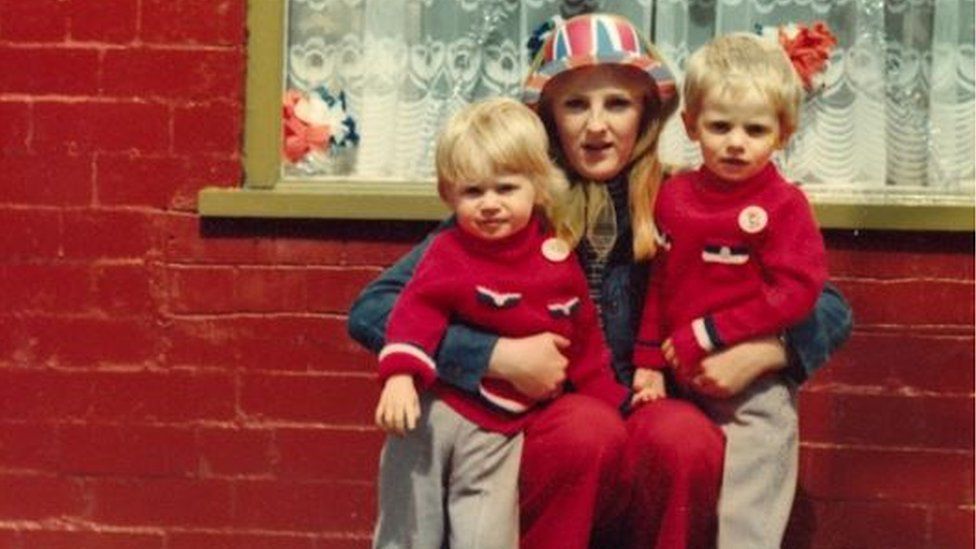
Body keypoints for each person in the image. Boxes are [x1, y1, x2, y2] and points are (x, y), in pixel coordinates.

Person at [349, 12, 853, 549]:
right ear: (548, 117)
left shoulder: (685, 197)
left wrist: (767, 352)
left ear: (647, 115)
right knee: (585, 430)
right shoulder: (515, 204)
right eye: (575, 105)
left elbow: (826, 304)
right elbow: (377, 307)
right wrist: (493, 356)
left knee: (682, 438)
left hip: (656, 393)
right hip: (549, 413)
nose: (596, 126)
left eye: (617, 104)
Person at [372, 96, 630, 549]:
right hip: (432, 411)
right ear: (449, 195)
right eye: (473, 192)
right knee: (409, 526)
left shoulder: (556, 261)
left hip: (498, 427)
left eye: (506, 189)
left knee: (486, 533)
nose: (490, 204)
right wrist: (400, 376)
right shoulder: (449, 250)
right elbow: (415, 310)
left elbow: (583, 342)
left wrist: (614, 404)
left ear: (539, 188)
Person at [632, 31, 834, 548]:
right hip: (679, 378)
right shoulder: (674, 197)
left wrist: (710, 332)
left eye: (755, 129)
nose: (736, 142)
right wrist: (649, 361)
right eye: (720, 126)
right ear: (690, 125)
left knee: (747, 512)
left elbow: (798, 290)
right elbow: (660, 283)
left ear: (783, 133)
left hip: (753, 390)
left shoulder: (784, 206)